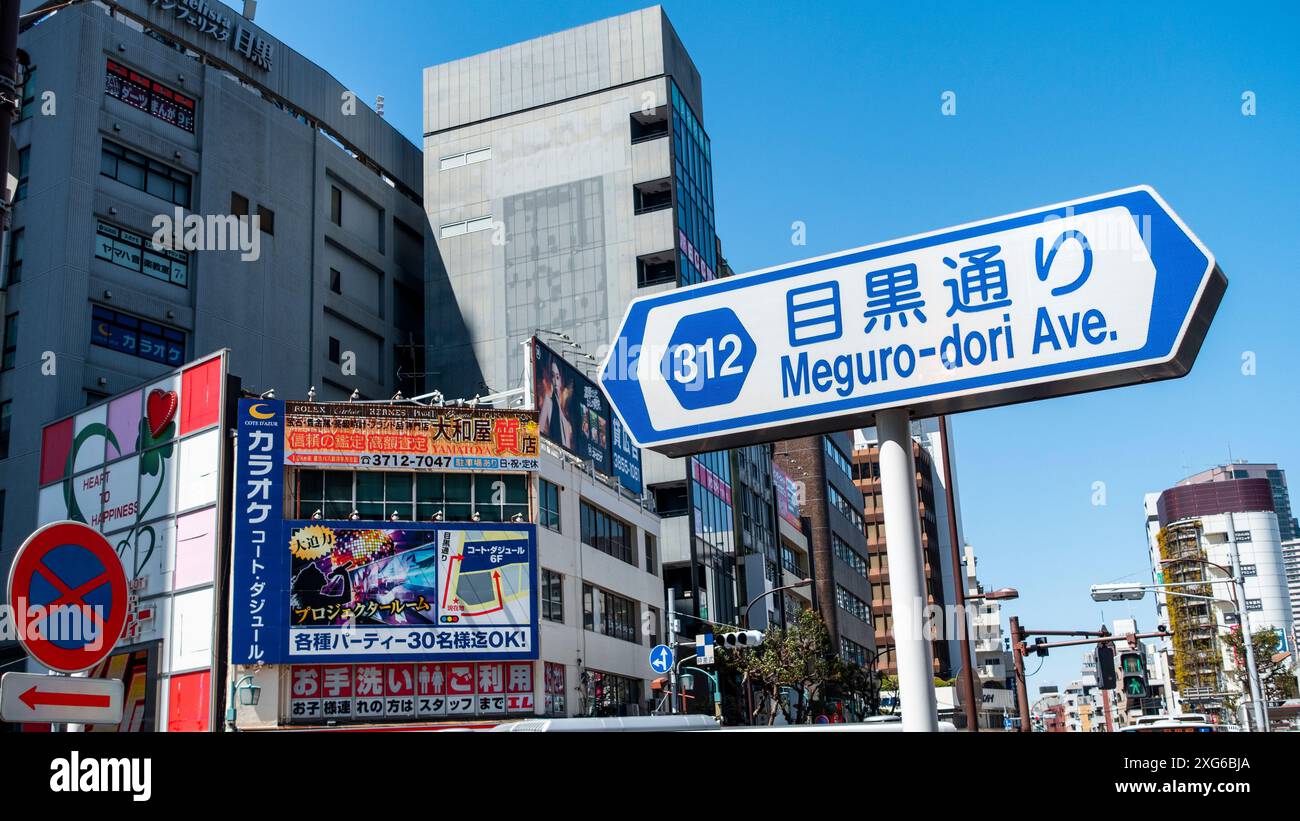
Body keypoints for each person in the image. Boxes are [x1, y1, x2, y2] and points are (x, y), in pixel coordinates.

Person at [537, 354, 574, 448]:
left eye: (557, 377)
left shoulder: (561, 407)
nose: (555, 380)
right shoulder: (548, 401)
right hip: (552, 451)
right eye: (552, 376)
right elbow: (539, 430)